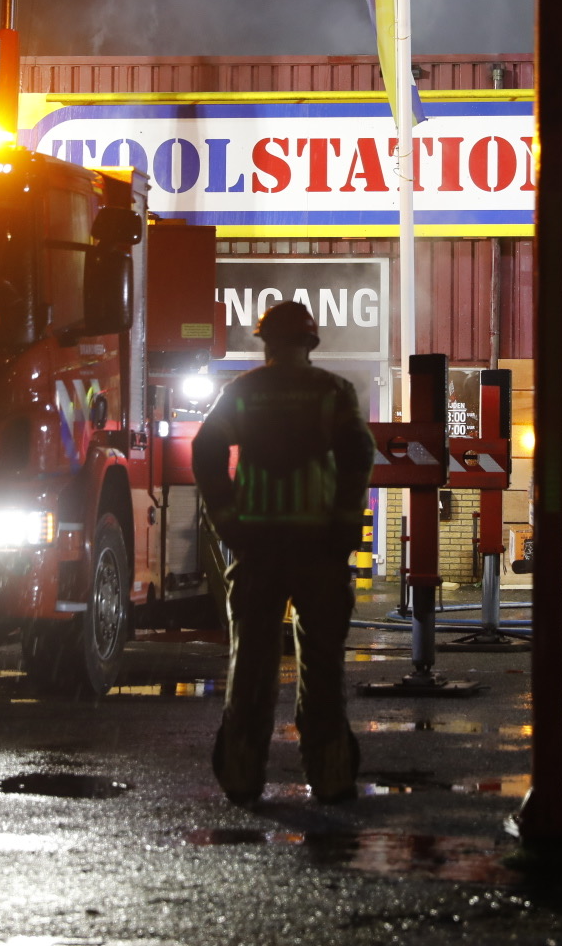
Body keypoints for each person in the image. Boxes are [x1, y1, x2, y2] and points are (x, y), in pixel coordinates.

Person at [192, 301, 375, 805]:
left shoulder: (243, 393)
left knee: (251, 661)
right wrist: (344, 525)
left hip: (259, 546)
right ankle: (331, 774)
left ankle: (243, 773)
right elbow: (359, 456)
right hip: (318, 548)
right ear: (310, 343)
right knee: (321, 662)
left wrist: (228, 520)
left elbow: (206, 451)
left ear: (265, 343)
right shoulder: (332, 392)